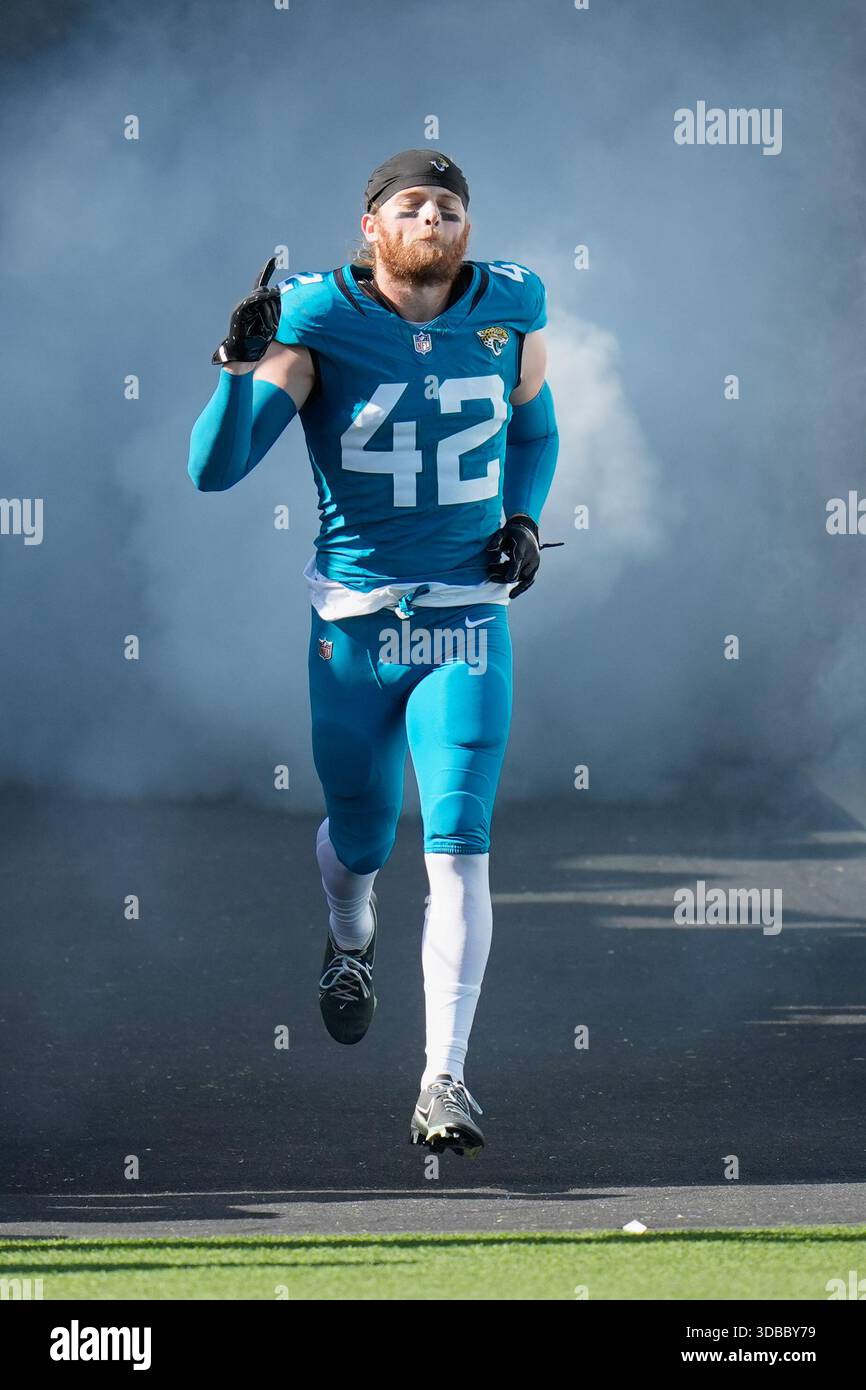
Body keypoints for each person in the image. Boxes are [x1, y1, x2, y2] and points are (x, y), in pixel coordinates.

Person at [187, 149, 560, 1157]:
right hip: (355, 623)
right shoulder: (317, 318)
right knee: (360, 834)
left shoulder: (510, 304)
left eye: (449, 204)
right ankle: (349, 931)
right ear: (371, 228)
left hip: (463, 617)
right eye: (411, 202)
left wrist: (521, 518)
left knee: (457, 843)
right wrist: (234, 370)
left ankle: (444, 1077)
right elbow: (214, 471)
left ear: (467, 228)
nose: (432, 215)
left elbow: (536, 427)